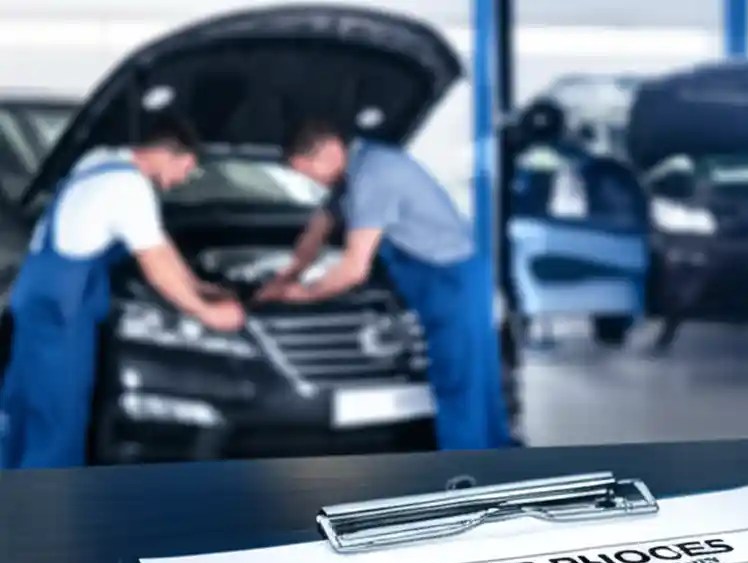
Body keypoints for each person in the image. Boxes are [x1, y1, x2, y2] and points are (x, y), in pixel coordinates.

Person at [0, 114, 245, 469]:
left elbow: (157, 241)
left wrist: (198, 285)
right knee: (57, 421)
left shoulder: (99, 161)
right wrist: (208, 312)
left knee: (19, 410)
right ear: (167, 153)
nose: (180, 181)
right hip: (61, 317)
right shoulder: (129, 188)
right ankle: (45, 515)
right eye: (186, 169)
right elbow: (157, 264)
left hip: (33, 301)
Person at [256, 120, 512, 451]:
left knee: (460, 383)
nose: (310, 180)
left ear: (332, 149)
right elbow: (316, 232)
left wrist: (301, 295)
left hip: (450, 280)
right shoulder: (351, 172)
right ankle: (500, 458)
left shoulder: (373, 176)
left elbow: (353, 270)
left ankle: (467, 478)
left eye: (309, 171)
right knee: (478, 380)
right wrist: (284, 278)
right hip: (437, 275)